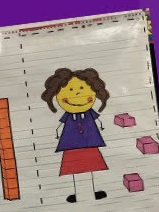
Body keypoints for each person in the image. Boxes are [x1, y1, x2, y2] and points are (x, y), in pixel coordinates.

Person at [42, 67, 112, 203]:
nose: (77, 93)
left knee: (91, 167)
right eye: (70, 89)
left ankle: (92, 191)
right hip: (72, 146)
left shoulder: (89, 113)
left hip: (89, 145)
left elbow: (98, 119)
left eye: (81, 88)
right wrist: (57, 132)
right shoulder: (68, 115)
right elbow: (61, 124)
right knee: (74, 169)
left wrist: (102, 125)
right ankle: (77, 192)